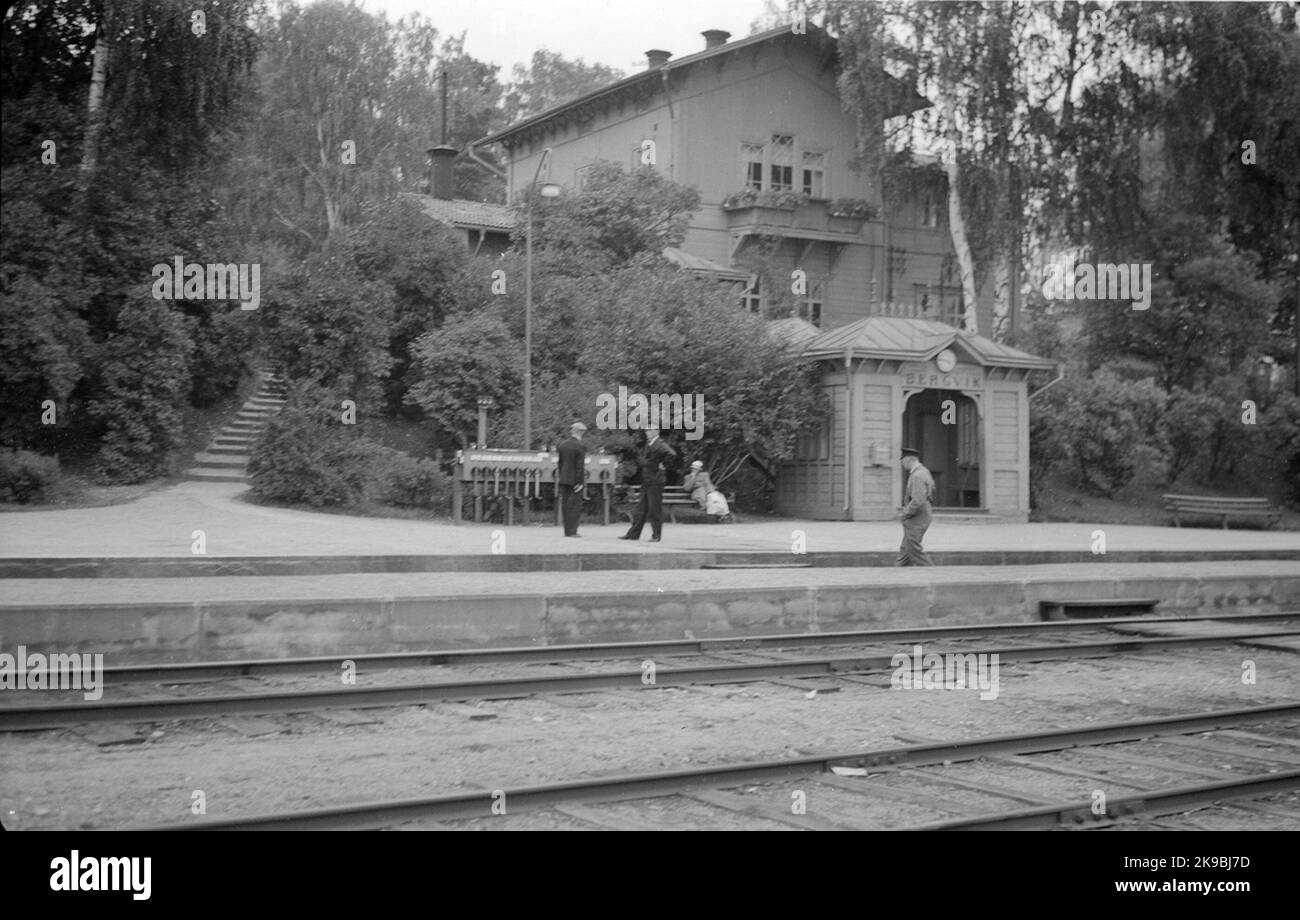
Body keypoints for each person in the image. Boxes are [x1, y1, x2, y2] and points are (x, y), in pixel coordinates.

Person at [620, 427, 676, 542]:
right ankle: (633, 534)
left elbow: (672, 453)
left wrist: (663, 464)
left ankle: (656, 535)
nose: (647, 433)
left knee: (654, 509)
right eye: (646, 431)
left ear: (656, 431)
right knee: (641, 509)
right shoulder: (649, 444)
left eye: (650, 430)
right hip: (647, 480)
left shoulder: (659, 443)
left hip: (655, 481)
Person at [897, 447, 935, 566]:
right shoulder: (924, 471)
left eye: (902, 461)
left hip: (917, 517)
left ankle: (933, 574)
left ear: (908, 460)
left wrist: (905, 513)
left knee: (913, 549)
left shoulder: (917, 475)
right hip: (922, 514)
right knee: (905, 550)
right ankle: (897, 573)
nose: (902, 464)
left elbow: (918, 500)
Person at [556, 422, 588, 537]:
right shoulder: (580, 446)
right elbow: (580, 466)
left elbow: (560, 464)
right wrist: (580, 482)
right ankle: (572, 531)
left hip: (564, 479)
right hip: (575, 481)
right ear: (580, 432)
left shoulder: (562, 445)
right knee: (574, 506)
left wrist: (562, 476)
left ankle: (567, 530)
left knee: (565, 505)